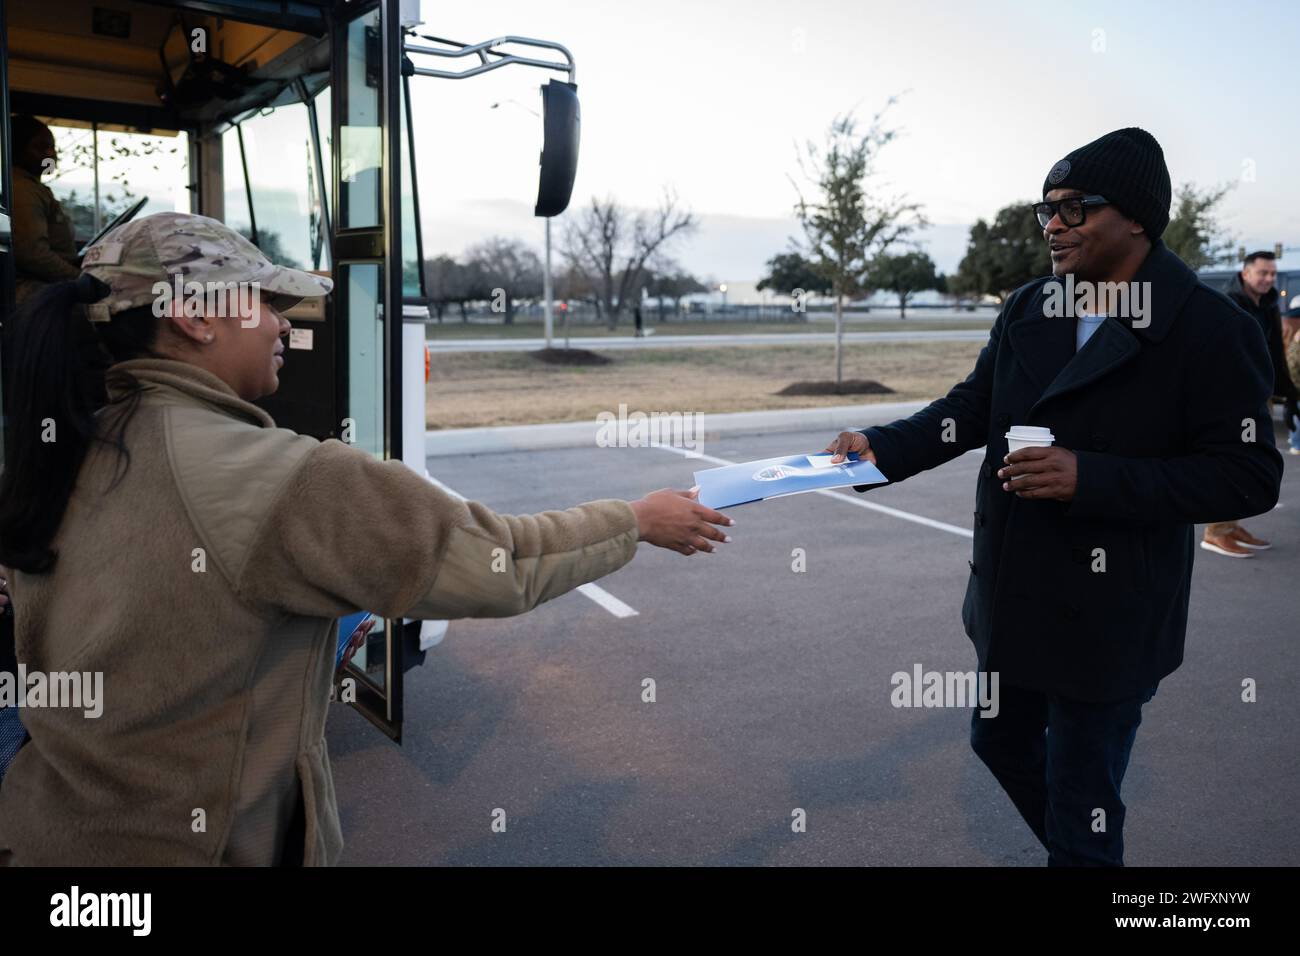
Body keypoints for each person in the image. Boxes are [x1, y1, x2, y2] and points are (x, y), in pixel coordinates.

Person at [0, 212, 734, 866]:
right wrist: (636, 520)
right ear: (195, 316)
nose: (282, 324)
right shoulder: (283, 476)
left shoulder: (62, 451)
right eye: (265, 302)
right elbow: (500, 562)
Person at [824, 128, 1283, 865]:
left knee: (1082, 805)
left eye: (1075, 208)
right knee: (998, 740)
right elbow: (973, 407)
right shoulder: (1031, 306)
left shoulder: (1208, 327)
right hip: (1015, 592)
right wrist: (885, 446)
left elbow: (1248, 474)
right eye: (1047, 209)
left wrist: (1090, 477)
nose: (1053, 225)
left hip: (1112, 614)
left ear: (1136, 218)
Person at [1200, 250, 1295, 554]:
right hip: (1234, 396)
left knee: (1251, 459)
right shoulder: (1228, 303)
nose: (1269, 279)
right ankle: (1216, 532)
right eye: (1262, 273)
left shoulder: (1268, 304)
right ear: (1245, 274)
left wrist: (1289, 394)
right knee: (1233, 458)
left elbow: (1275, 352)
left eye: (1272, 273)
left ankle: (1230, 524)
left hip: (1260, 393)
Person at [9, 115, 80, 305]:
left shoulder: (33, 188)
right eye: (41, 147)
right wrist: (80, 279)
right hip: (32, 290)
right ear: (17, 149)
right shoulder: (22, 190)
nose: (51, 154)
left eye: (52, 147)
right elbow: (32, 254)